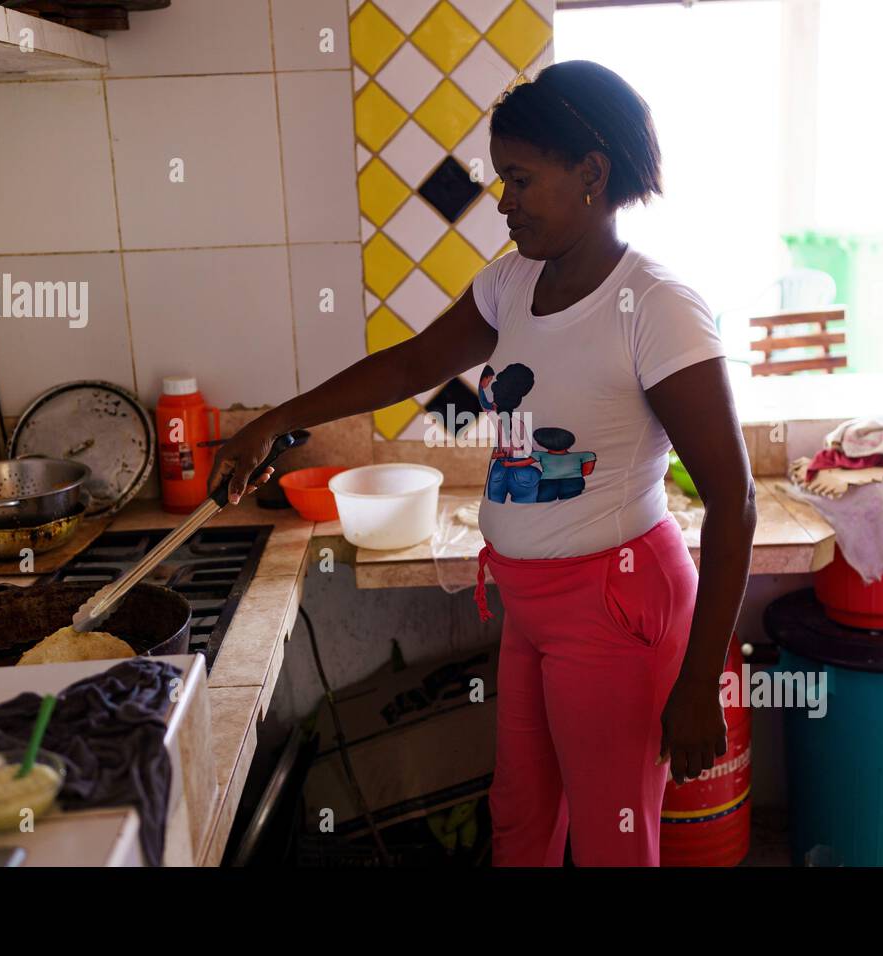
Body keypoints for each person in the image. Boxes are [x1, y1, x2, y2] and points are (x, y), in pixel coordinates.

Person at [210, 60, 757, 867]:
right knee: (521, 823)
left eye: (521, 180)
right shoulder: (512, 284)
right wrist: (275, 423)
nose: (503, 203)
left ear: (591, 175)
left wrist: (699, 683)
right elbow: (408, 366)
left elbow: (734, 502)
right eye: (503, 179)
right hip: (530, 604)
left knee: (613, 840)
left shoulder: (657, 307)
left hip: (615, 608)